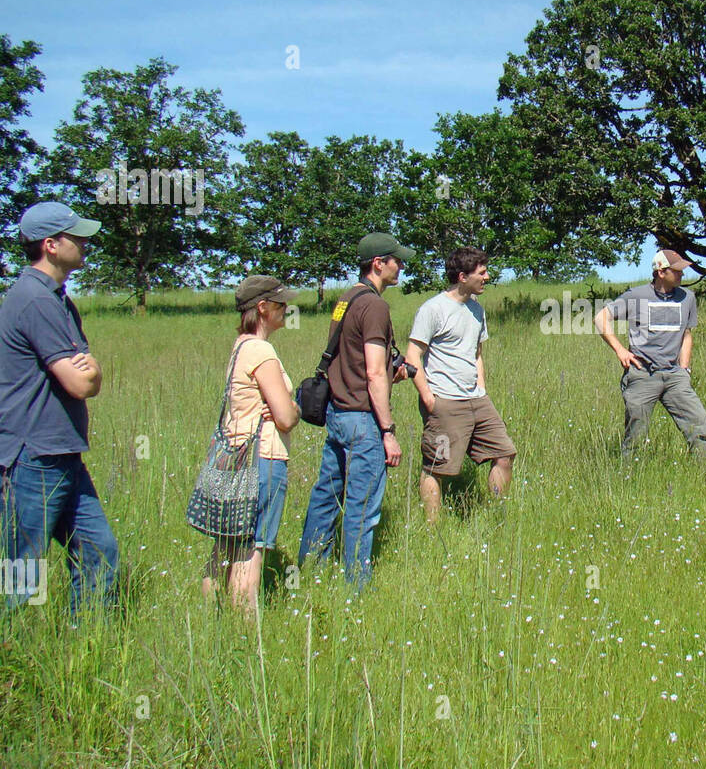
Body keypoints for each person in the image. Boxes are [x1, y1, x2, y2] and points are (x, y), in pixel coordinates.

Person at [0, 201, 117, 614]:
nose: (86, 243)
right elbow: (81, 380)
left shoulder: (58, 300)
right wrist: (90, 374)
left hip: (60, 453)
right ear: (52, 245)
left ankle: (86, 645)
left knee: (98, 551)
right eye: (77, 237)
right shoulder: (34, 299)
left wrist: (91, 374)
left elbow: (90, 375)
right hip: (28, 456)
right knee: (15, 572)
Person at [299, 233, 411, 586]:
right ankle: (356, 586)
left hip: (337, 413)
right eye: (397, 260)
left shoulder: (346, 299)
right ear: (379, 263)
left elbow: (351, 355)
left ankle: (311, 570)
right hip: (363, 419)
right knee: (363, 507)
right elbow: (375, 371)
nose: (401, 266)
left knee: (326, 496)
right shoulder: (375, 306)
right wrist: (388, 432)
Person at [202, 276, 299, 610]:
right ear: (263, 308)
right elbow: (285, 417)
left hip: (233, 457)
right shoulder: (261, 350)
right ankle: (244, 633)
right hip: (262, 459)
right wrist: (293, 407)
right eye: (280, 304)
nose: (286, 309)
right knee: (251, 549)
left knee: (224, 545)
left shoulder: (240, 345)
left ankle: (212, 619)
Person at [405, 248, 516, 523]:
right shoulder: (433, 309)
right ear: (463, 276)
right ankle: (432, 529)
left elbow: (477, 353)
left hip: (477, 399)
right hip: (445, 400)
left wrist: (482, 387)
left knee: (504, 453)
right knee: (438, 467)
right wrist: (430, 398)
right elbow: (412, 356)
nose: (487, 277)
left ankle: (496, 516)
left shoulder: (477, 309)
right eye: (482, 273)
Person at [594, 250, 706, 459]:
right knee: (636, 434)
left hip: (675, 376)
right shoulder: (637, 295)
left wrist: (684, 369)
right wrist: (620, 350)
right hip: (642, 374)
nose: (682, 275)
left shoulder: (687, 298)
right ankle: (629, 478)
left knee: (699, 425)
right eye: (677, 271)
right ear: (661, 272)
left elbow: (687, 334)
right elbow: (601, 318)